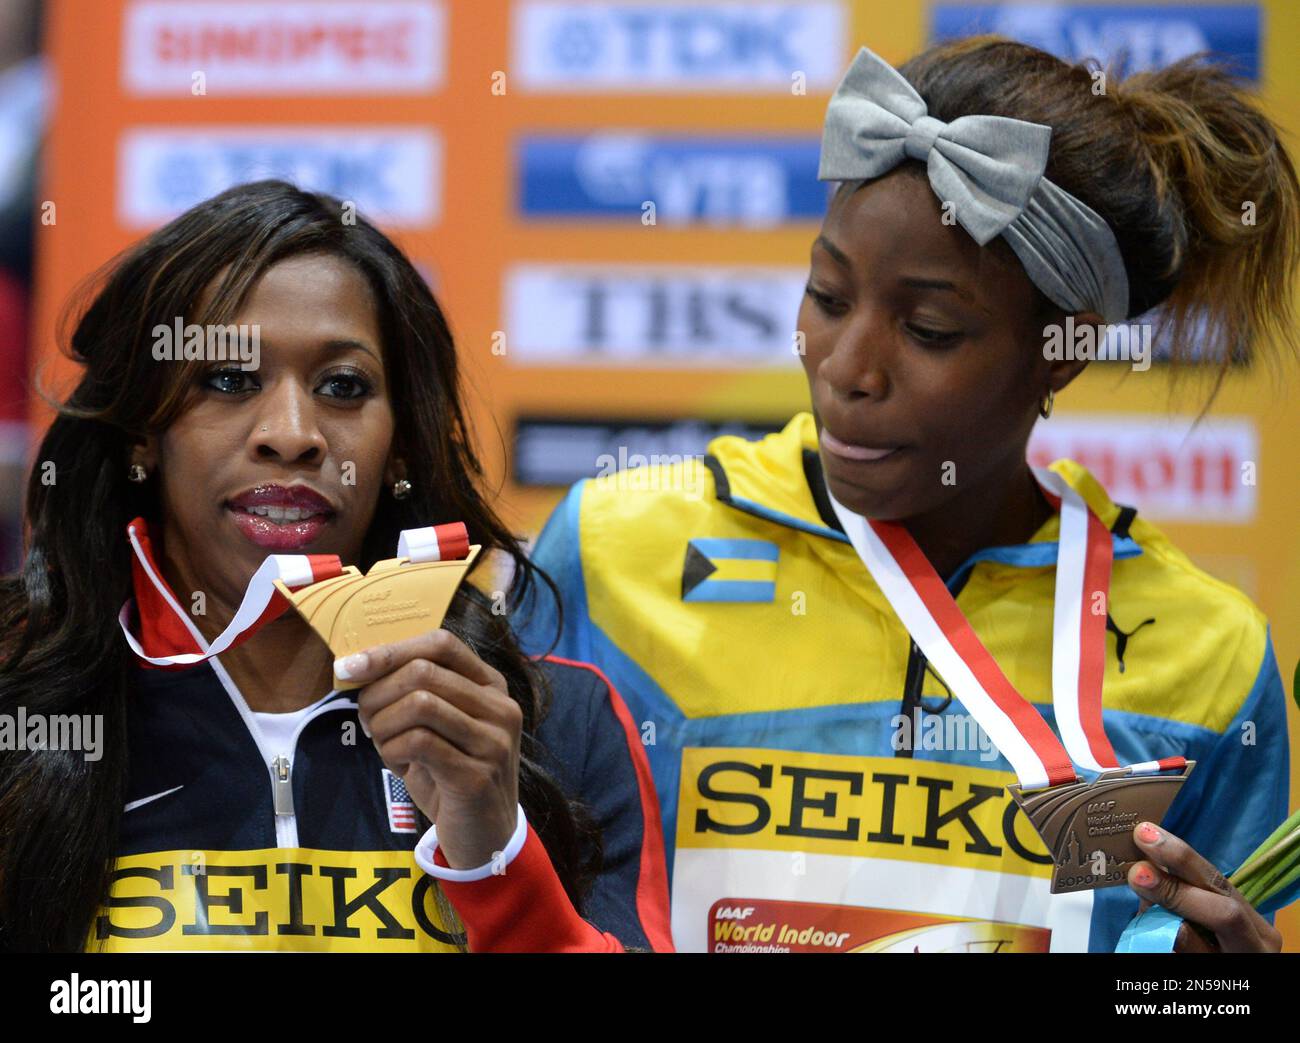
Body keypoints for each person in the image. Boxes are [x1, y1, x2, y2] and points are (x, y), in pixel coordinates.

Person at [522, 38, 1300, 953]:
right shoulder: (615, 550)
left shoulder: (1207, 656)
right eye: (827, 295)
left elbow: (1175, 978)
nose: (847, 368)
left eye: (928, 328)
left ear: (1067, 349)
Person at [0, 180, 672, 953]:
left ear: (400, 449)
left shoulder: (556, 725)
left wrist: (496, 858)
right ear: (142, 434)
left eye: (343, 387)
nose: (291, 434)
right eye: (228, 379)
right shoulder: (24, 705)